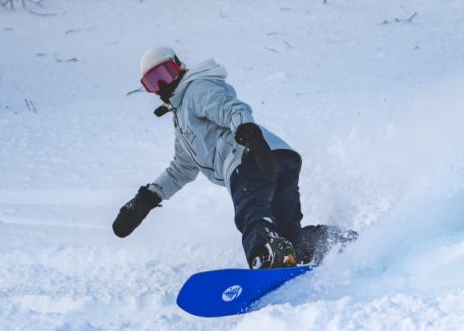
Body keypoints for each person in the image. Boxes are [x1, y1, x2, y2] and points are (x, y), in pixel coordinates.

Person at [113, 46, 332, 268]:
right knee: (287, 231)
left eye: (164, 75)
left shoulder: (196, 89)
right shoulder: (182, 118)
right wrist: (148, 198)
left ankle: (265, 256)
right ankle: (328, 242)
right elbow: (181, 168)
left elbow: (231, 108)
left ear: (178, 67)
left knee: (253, 213)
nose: (161, 86)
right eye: (153, 82)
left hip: (249, 157)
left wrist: (249, 134)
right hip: (281, 158)